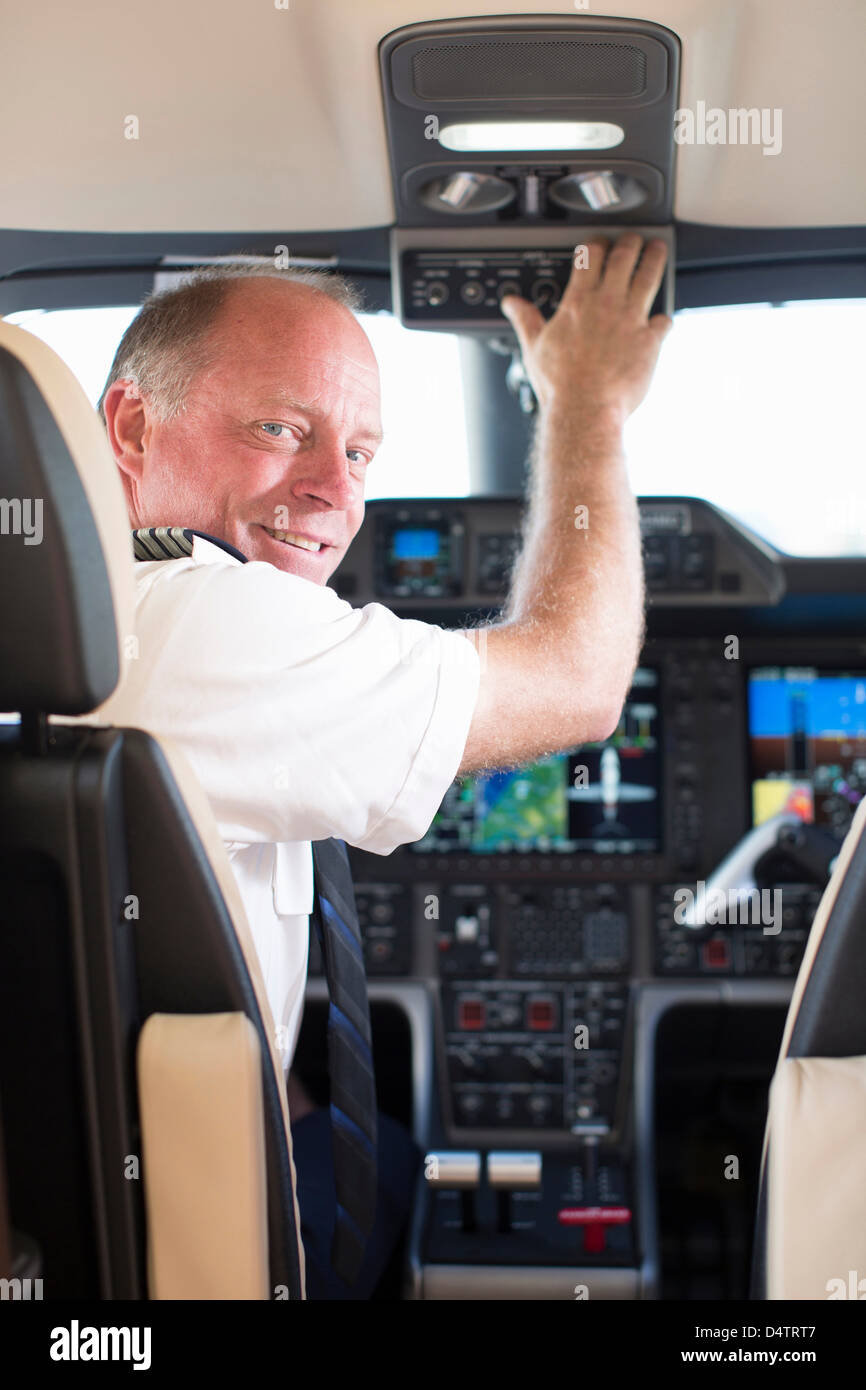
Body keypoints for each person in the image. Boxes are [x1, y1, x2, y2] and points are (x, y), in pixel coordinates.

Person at [96, 233, 671, 1296]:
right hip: (160, 1238)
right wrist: (588, 403)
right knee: (401, 1172)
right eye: (279, 428)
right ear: (131, 425)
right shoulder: (200, 620)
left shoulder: (79, 622)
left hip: (91, 1177)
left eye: (358, 454)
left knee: (376, 1144)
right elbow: (580, 679)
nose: (331, 492)